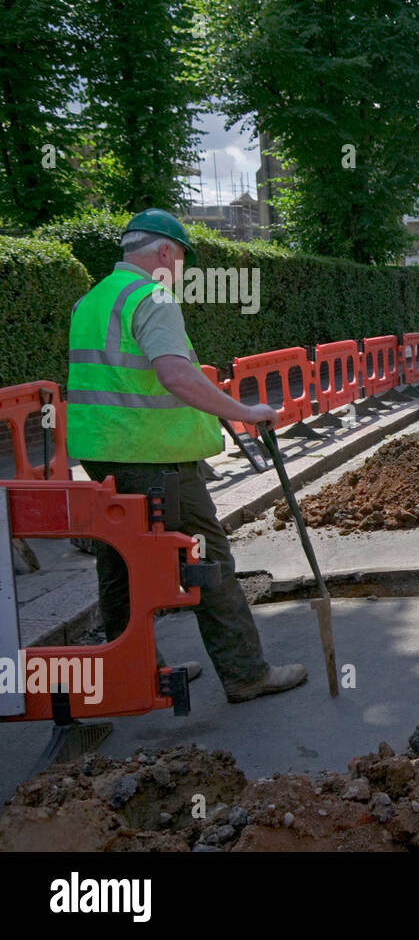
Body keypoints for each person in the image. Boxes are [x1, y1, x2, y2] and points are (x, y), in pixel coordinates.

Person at [66, 208, 308, 704]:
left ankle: (132, 672)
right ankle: (246, 674)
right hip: (154, 458)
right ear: (163, 253)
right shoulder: (152, 296)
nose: (179, 273)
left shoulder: (91, 300)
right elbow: (175, 375)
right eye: (180, 261)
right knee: (206, 560)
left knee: (120, 561)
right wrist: (244, 412)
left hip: (100, 455)